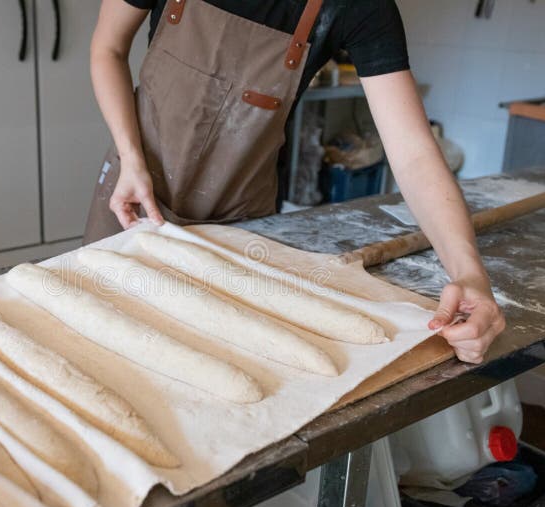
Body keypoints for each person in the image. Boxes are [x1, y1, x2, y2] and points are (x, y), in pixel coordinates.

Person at [84, 0, 506, 363]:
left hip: (239, 224)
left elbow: (413, 153)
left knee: (221, 356)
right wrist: (130, 154)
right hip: (134, 197)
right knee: (101, 342)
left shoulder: (356, 6)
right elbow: (108, 48)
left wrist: (470, 275)